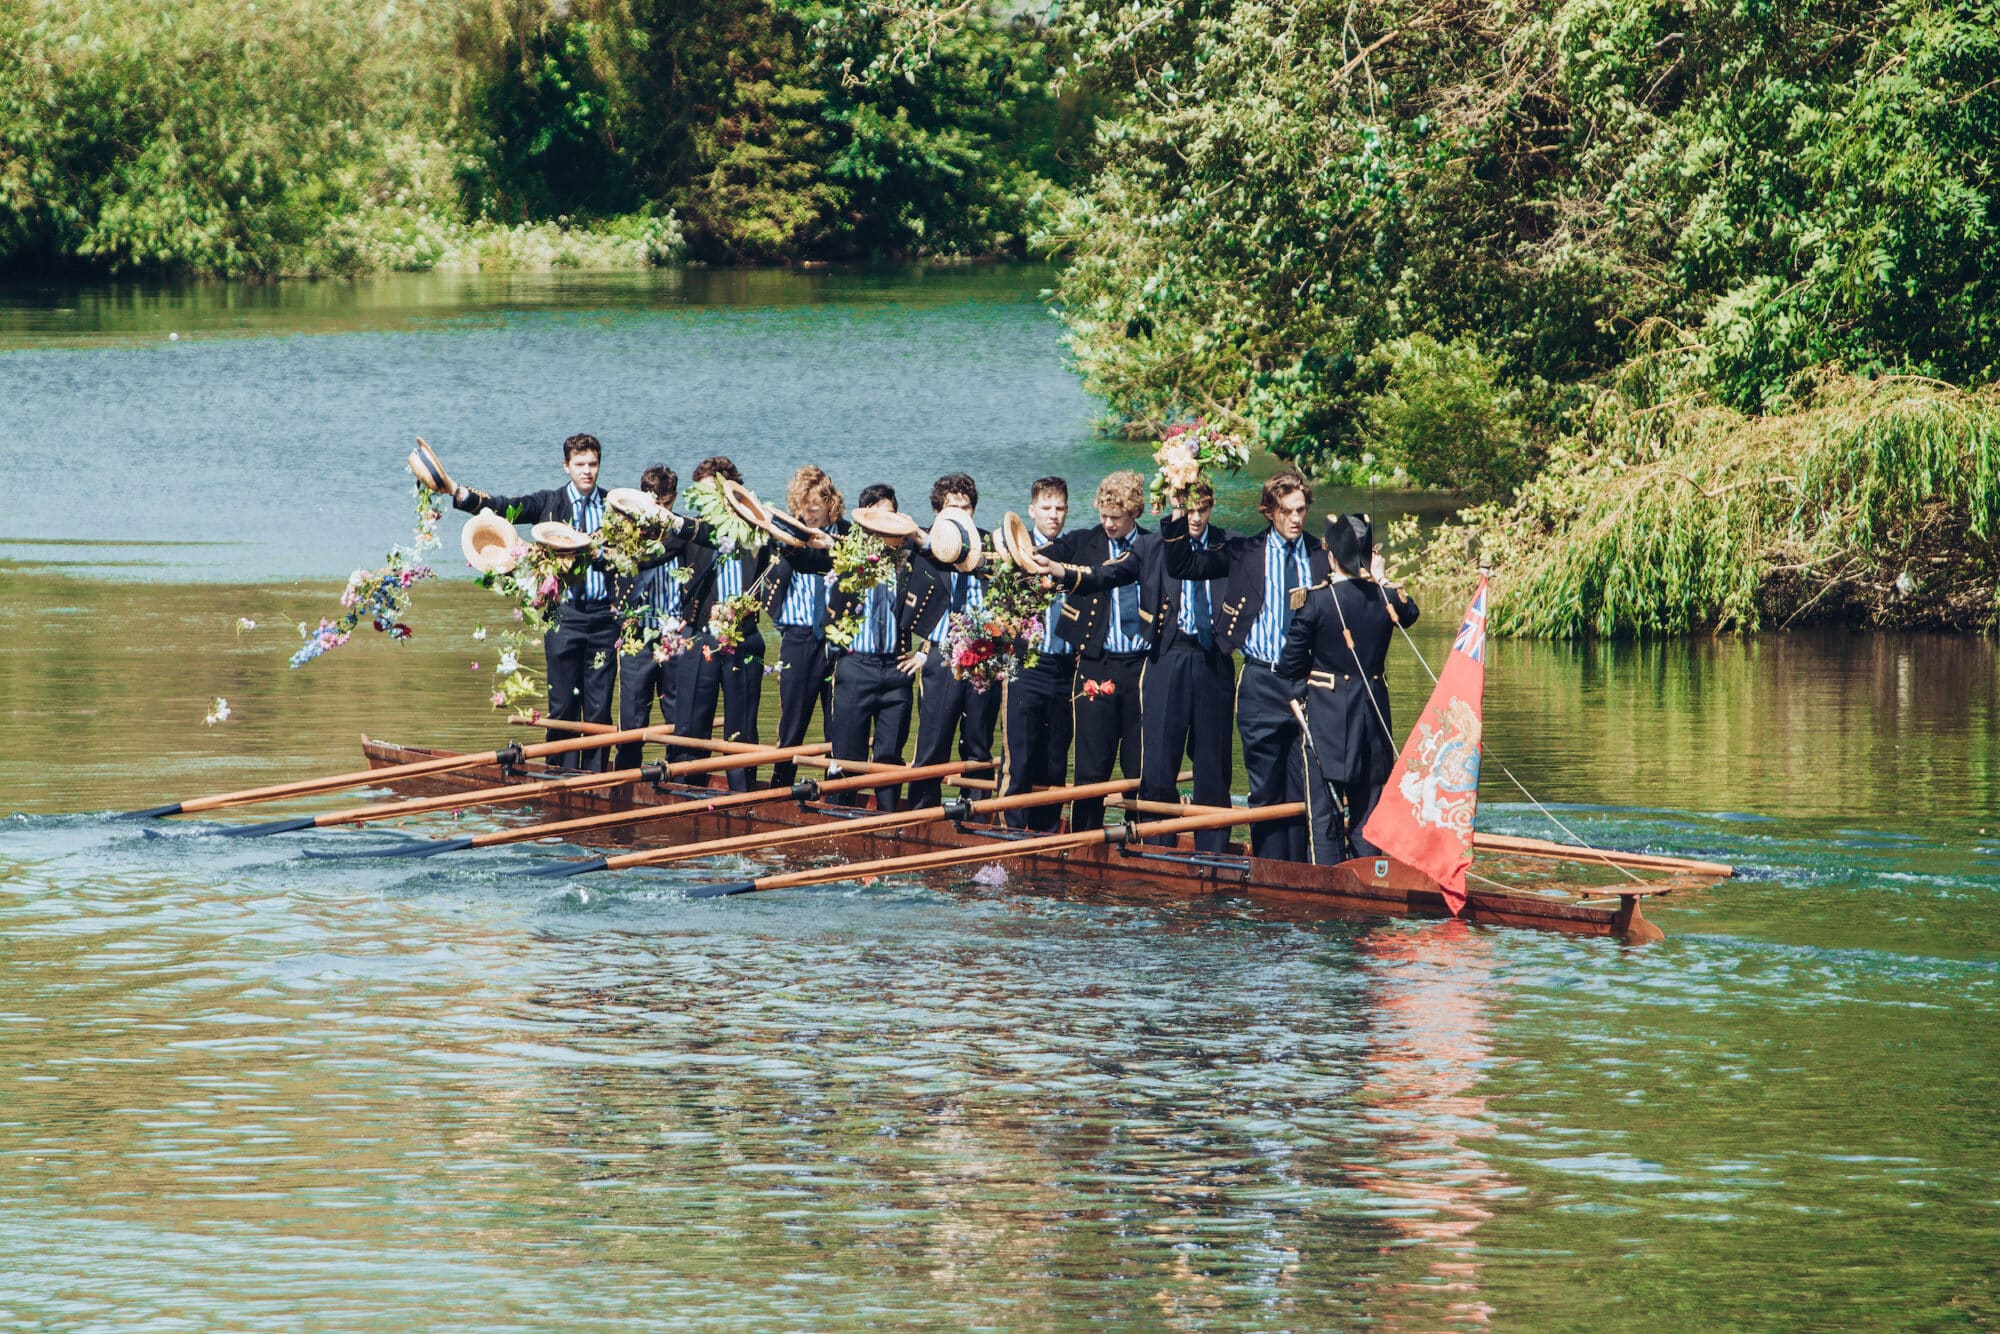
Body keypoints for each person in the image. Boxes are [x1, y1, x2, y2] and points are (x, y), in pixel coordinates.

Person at [1044, 476, 1236, 851]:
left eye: (1202, 510)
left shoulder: (1221, 544)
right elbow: (1106, 573)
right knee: (1126, 768)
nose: (1195, 518)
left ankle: (1191, 850)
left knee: (1185, 767)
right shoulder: (1143, 546)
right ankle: (1121, 846)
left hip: (1183, 662)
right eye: (1186, 510)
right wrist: (1061, 572)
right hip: (1133, 661)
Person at [1163, 470, 1329, 861]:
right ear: (1268, 512)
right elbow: (1184, 565)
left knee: (1307, 784)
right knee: (1266, 786)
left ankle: (1303, 868)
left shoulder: (1322, 554)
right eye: (1286, 511)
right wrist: (1178, 512)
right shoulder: (1244, 552)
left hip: (1309, 683)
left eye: (1301, 510)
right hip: (1260, 681)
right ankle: (1270, 868)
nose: (1295, 519)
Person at [445, 433, 619, 769]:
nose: (587, 471)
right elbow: (501, 508)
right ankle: (558, 775)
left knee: (599, 709)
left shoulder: (613, 506)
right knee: (563, 706)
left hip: (604, 619)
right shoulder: (549, 502)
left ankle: (595, 780)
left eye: (593, 464)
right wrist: (459, 493)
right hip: (564, 617)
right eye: (580, 464)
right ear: (566, 466)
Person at [1279, 514, 1420, 863]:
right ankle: (1368, 881)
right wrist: (1381, 577)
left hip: (1326, 720)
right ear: (1370, 557)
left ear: (1331, 557)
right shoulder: (1385, 597)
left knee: (1324, 817)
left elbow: (1290, 663)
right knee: (1368, 814)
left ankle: (1328, 885)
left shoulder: (1316, 600)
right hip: (1373, 717)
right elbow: (1410, 614)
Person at [1030, 470, 1151, 833]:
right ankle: (1084, 838)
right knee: (1091, 767)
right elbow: (1036, 556)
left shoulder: (1151, 546)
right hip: (1096, 663)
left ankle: (1141, 837)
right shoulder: (1082, 542)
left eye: (1116, 517)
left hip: (1142, 668)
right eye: (1103, 515)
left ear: (1134, 513)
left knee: (1140, 765)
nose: (1108, 524)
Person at [673, 455, 772, 791]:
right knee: (691, 723)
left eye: (709, 495)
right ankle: (686, 790)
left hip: (743, 637)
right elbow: (656, 553)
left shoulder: (757, 530)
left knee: (741, 729)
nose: (702, 503)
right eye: (698, 495)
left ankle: (741, 795)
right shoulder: (693, 530)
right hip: (701, 637)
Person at [903, 472, 1001, 809]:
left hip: (983, 655)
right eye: (951, 508)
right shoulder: (924, 544)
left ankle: (976, 813)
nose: (960, 515)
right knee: (933, 741)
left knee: (978, 744)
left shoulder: (990, 544)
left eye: (966, 507)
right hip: (941, 654)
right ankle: (922, 813)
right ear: (937, 512)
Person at [824, 482, 915, 810]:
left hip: (897, 667)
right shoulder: (846, 556)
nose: (883, 526)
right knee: (848, 755)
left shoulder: (909, 560)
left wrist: (925, 651)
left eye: (890, 517)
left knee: (889, 757)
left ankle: (887, 820)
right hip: (856, 664)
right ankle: (837, 818)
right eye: (877, 518)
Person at [761, 464, 846, 790]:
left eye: (814, 509)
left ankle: (835, 792)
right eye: (802, 509)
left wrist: (829, 545)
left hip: (839, 638)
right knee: (792, 722)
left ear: (830, 505)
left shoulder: (846, 534)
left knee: (837, 725)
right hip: (798, 636)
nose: (807, 516)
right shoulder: (789, 533)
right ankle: (780, 787)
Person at [1001, 476, 1077, 831]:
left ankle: (1046, 835)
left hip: (1065, 669)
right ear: (1032, 511)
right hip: (1026, 666)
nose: (1053, 515)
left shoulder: (1074, 554)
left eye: (1059, 508)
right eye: (1046, 508)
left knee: (1055, 760)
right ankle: (1010, 835)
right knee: (1020, 759)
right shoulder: (1012, 553)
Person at [612, 464, 691, 773]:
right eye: (655, 504)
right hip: (637, 636)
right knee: (632, 718)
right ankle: (626, 779)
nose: (661, 512)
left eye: (666, 504)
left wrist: (690, 616)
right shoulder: (625, 535)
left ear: (674, 499)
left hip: (674, 635)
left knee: (679, 716)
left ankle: (679, 778)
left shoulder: (685, 533)